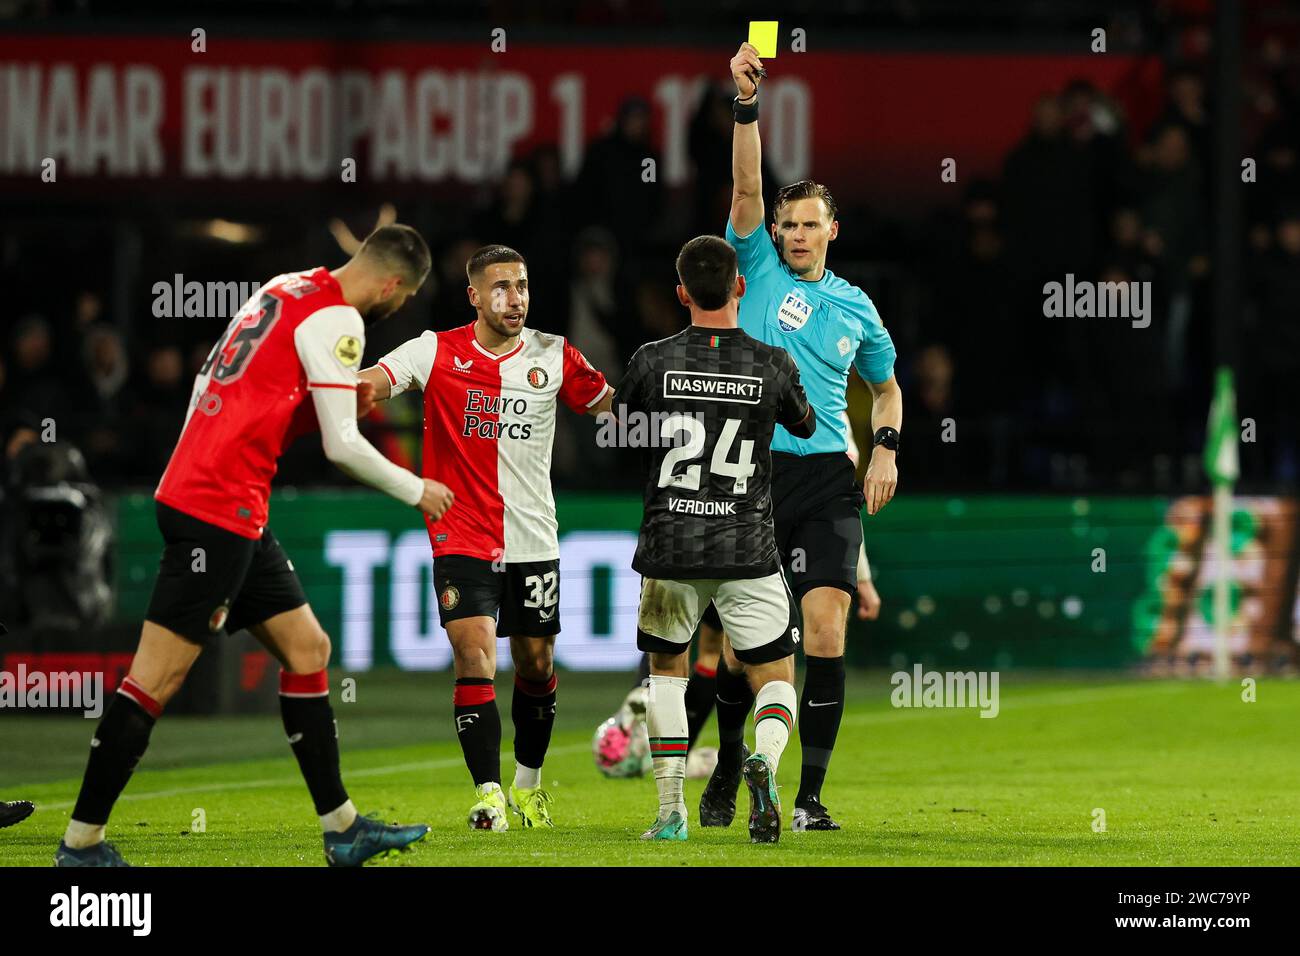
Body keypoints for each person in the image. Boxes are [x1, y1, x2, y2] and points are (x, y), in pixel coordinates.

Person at [55, 225, 452, 868]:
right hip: (219, 508)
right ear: (391, 285)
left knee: (307, 648)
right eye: (402, 301)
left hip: (215, 495)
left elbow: (224, 379)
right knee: (155, 679)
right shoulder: (340, 321)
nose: (395, 310)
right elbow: (341, 445)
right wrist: (417, 490)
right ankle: (81, 844)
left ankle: (343, 828)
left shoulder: (283, 288)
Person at [699, 43, 903, 833]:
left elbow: (886, 386)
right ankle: (722, 773)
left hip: (825, 479)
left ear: (832, 230)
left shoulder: (858, 309)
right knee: (732, 641)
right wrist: (746, 105)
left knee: (825, 629)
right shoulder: (756, 261)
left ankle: (809, 795)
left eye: (809, 225)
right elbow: (746, 181)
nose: (795, 235)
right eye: (787, 224)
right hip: (746, 473)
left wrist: (885, 445)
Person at [359, 244, 613, 832]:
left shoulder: (554, 354)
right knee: (474, 656)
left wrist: (671, 398)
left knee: (535, 661)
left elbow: (612, 409)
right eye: (500, 287)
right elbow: (373, 381)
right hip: (460, 537)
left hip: (533, 539)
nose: (514, 297)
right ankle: (489, 793)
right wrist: (336, 377)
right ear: (473, 295)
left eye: (522, 285)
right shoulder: (434, 350)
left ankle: (529, 786)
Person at [619, 235, 815, 843]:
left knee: (667, 674)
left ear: (681, 294)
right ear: (740, 287)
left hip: (671, 544)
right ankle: (766, 761)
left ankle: (672, 811)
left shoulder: (652, 360)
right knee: (776, 675)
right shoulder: (771, 363)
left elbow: (623, 430)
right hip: (745, 546)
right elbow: (804, 424)